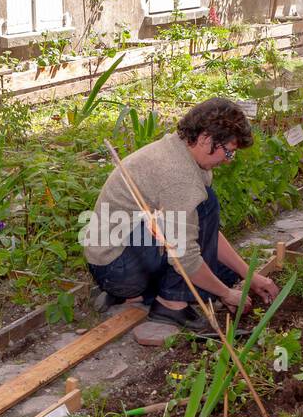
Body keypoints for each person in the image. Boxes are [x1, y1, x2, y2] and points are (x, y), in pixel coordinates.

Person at [82, 97, 278, 333]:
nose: (228, 160)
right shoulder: (179, 175)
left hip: (119, 254)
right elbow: (183, 255)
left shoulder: (182, 150)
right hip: (116, 266)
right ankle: (170, 304)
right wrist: (227, 295)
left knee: (215, 258)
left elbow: (205, 231)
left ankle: (135, 294)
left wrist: (249, 275)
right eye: (228, 152)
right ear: (206, 139)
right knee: (202, 259)